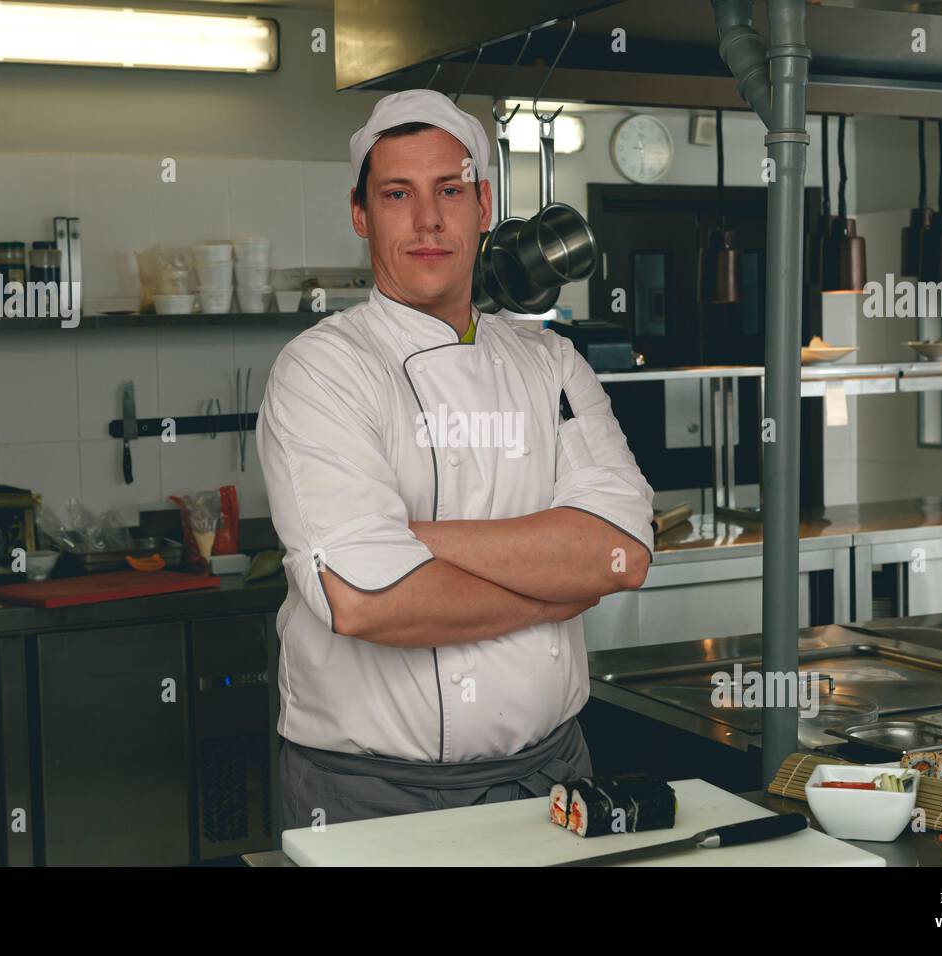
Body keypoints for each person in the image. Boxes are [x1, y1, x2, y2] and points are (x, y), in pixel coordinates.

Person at [256, 89, 654, 833]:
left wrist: (414, 540)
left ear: (483, 203)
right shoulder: (322, 369)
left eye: (449, 190)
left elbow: (618, 558)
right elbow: (367, 600)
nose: (428, 220)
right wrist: (551, 594)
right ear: (360, 213)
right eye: (397, 194)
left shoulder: (551, 362)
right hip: (368, 793)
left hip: (552, 779)